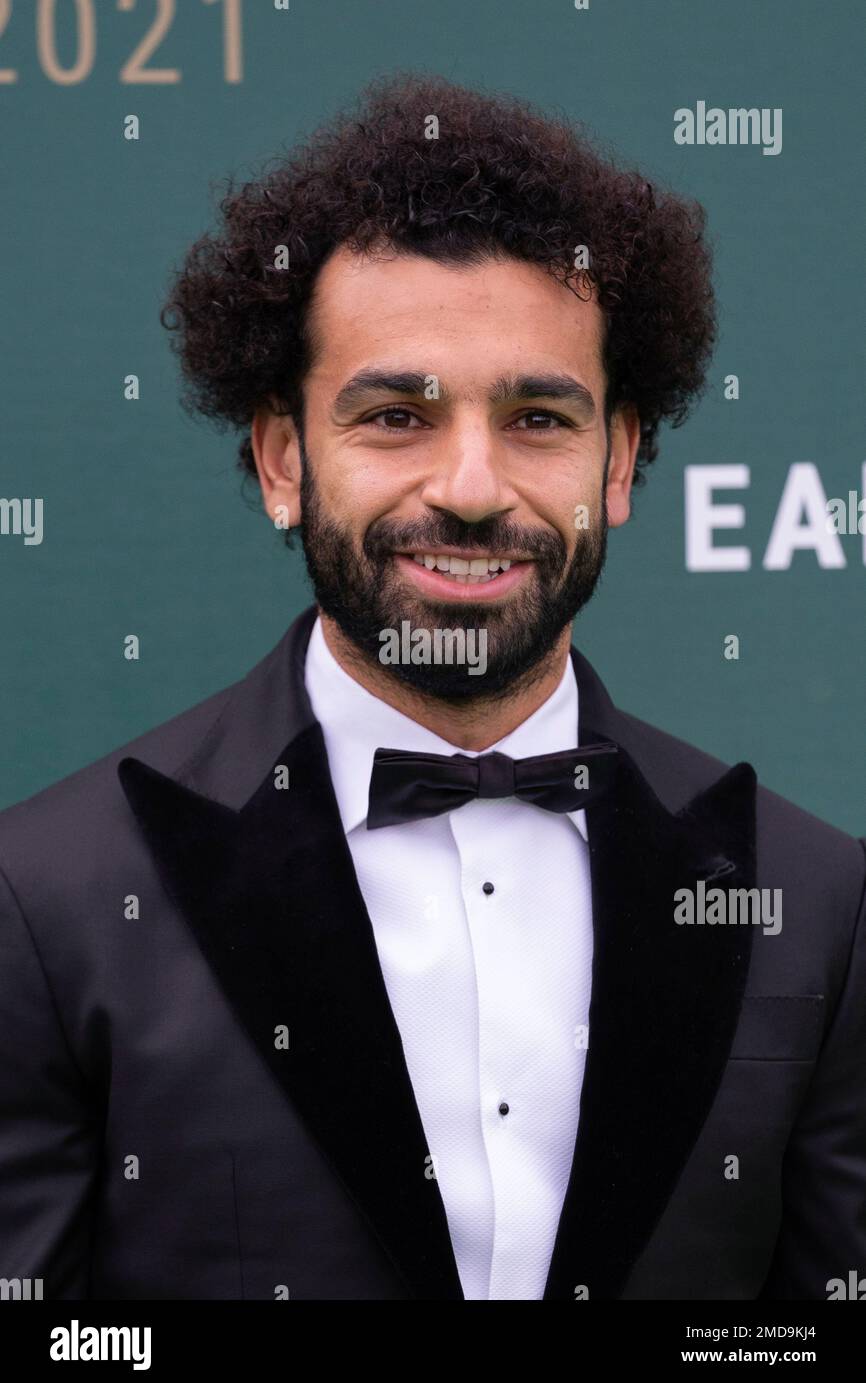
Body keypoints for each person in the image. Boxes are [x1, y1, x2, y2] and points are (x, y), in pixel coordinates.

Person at [1, 74, 863, 1302]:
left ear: (618, 459)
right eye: (397, 415)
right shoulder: (48, 901)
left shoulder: (814, 902)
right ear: (282, 458)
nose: (468, 485)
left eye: (537, 418)